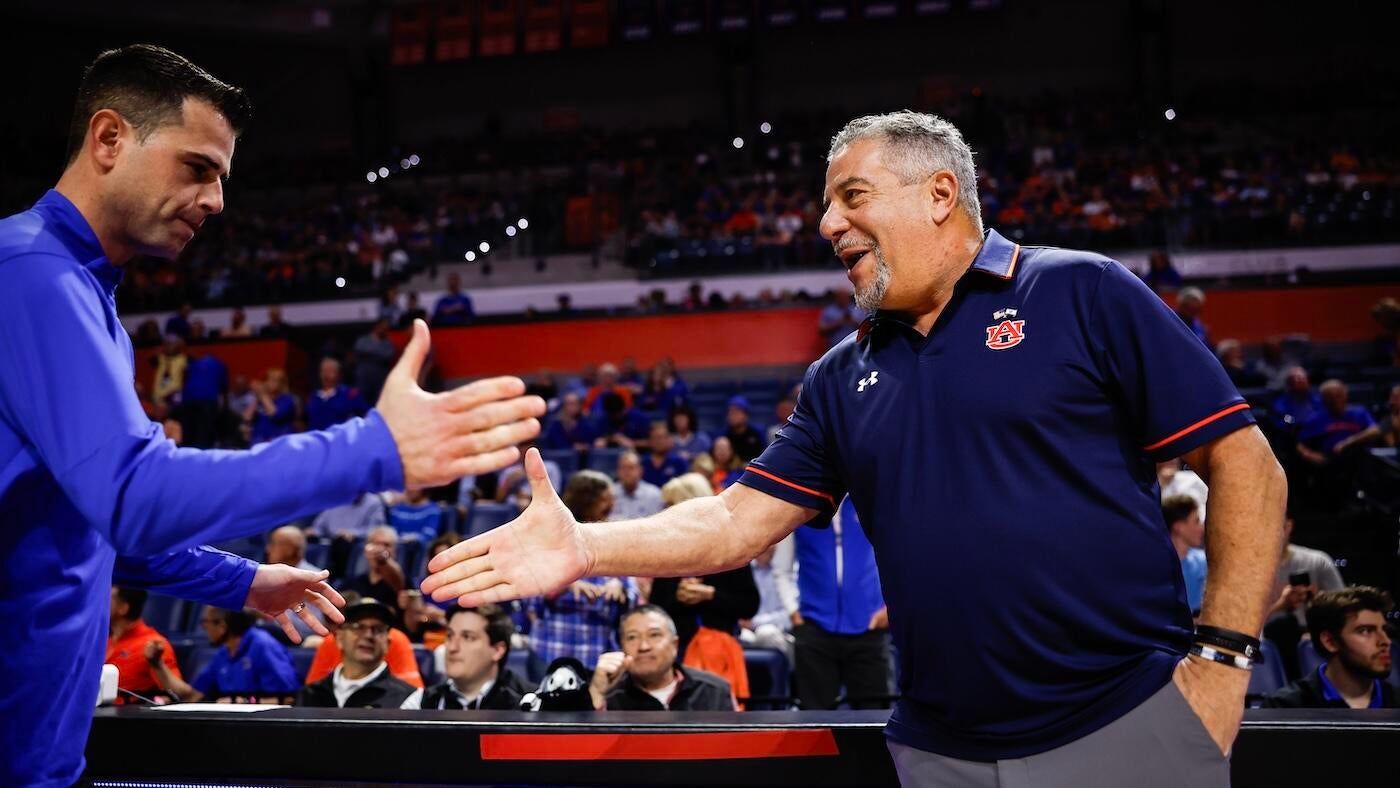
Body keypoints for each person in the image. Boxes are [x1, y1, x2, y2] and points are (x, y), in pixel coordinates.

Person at [426, 110, 1288, 786]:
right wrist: (586, 546)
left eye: (852, 196)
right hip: (938, 748)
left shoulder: (1079, 290)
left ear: (939, 195)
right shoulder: (843, 373)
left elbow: (1246, 464)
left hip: (1122, 726)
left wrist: (1220, 661)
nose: (826, 220)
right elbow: (735, 521)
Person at [0, 44, 543, 787]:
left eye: (223, 178)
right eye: (198, 167)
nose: (217, 201)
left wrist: (243, 582)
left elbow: (78, 525)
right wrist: (373, 449)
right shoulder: (32, 275)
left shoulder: (74, 290)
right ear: (108, 139)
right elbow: (132, 500)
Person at [773, 496, 890, 710]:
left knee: (872, 715)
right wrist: (793, 611)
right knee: (814, 717)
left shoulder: (872, 501)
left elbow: (895, 556)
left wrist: (888, 608)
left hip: (868, 625)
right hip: (814, 626)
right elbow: (781, 569)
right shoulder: (801, 506)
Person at [525, 471, 637, 669]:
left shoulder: (616, 536)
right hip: (551, 652)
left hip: (598, 656)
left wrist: (620, 586)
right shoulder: (551, 537)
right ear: (586, 500)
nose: (612, 505)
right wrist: (562, 585)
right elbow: (530, 599)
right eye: (605, 499)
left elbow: (633, 598)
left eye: (612, 498)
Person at [1263, 587, 1396, 709]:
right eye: (1365, 631)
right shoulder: (1284, 708)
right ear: (1330, 642)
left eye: (1384, 630)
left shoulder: (1396, 702)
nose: (1386, 641)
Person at [587, 605, 736, 711]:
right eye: (632, 638)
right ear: (621, 647)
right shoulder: (610, 695)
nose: (644, 646)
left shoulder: (715, 690)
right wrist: (597, 694)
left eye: (654, 635)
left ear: (675, 644)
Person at [145, 607, 300, 701]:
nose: (204, 628)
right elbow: (191, 695)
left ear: (222, 626)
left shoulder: (263, 646)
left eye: (206, 622)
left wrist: (243, 702)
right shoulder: (224, 653)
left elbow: (289, 699)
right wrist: (157, 665)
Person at [402, 604, 531, 709]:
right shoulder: (420, 704)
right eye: (450, 635)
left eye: (468, 637)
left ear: (498, 650)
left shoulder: (529, 704)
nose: (452, 647)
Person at [297, 599, 417, 708]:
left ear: (388, 643)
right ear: (339, 638)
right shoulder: (311, 693)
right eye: (358, 627)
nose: (368, 635)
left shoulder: (407, 699)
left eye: (378, 629)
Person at [107, 586, 182, 702]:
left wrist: (157, 663)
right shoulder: (99, 640)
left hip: (124, 717)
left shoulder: (154, 644)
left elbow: (176, 694)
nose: (100, 603)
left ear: (123, 608)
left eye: (107, 598)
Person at [1164, 495, 1208, 617]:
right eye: (1196, 521)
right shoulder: (1155, 566)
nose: (1202, 528)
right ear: (1178, 527)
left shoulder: (1204, 563)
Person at [305, 357, 369, 432]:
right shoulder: (314, 396)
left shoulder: (349, 394)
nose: (326, 375)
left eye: (330, 371)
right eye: (323, 371)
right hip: (315, 439)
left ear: (339, 374)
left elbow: (366, 413)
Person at [354, 318, 397, 406]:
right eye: (383, 327)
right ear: (377, 326)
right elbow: (359, 348)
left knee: (378, 405)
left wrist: (370, 352)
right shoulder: (364, 340)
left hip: (379, 380)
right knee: (361, 404)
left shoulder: (387, 343)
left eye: (387, 328)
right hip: (364, 378)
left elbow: (388, 355)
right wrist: (378, 351)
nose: (385, 329)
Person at [611, 451, 664, 521]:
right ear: (617, 471)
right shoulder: (610, 494)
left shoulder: (654, 494)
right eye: (623, 467)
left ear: (640, 470)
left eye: (631, 467)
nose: (627, 472)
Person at [642, 421, 688, 488]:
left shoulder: (680, 462)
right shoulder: (642, 463)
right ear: (649, 441)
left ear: (670, 440)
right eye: (656, 438)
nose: (660, 441)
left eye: (663, 437)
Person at [722, 396, 767, 462]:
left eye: (736, 412)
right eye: (730, 412)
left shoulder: (756, 433)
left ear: (746, 415)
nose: (731, 415)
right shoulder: (724, 436)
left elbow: (765, 457)